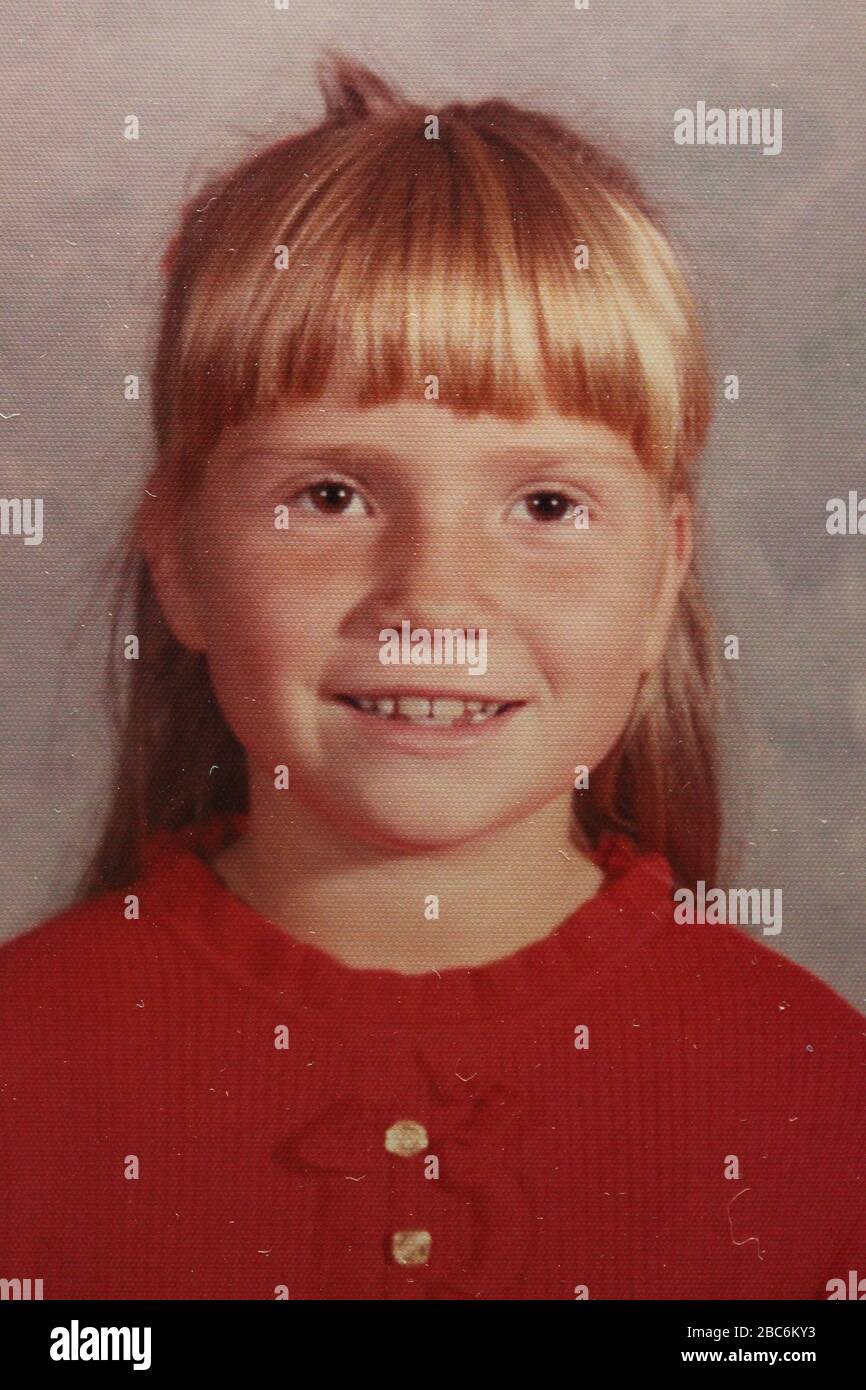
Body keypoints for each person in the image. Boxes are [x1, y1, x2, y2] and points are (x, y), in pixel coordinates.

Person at [2, 51, 864, 1301]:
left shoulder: (817, 1094)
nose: (434, 600)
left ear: (661, 575)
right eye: (330, 495)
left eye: (547, 503)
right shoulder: (25, 1065)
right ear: (179, 558)